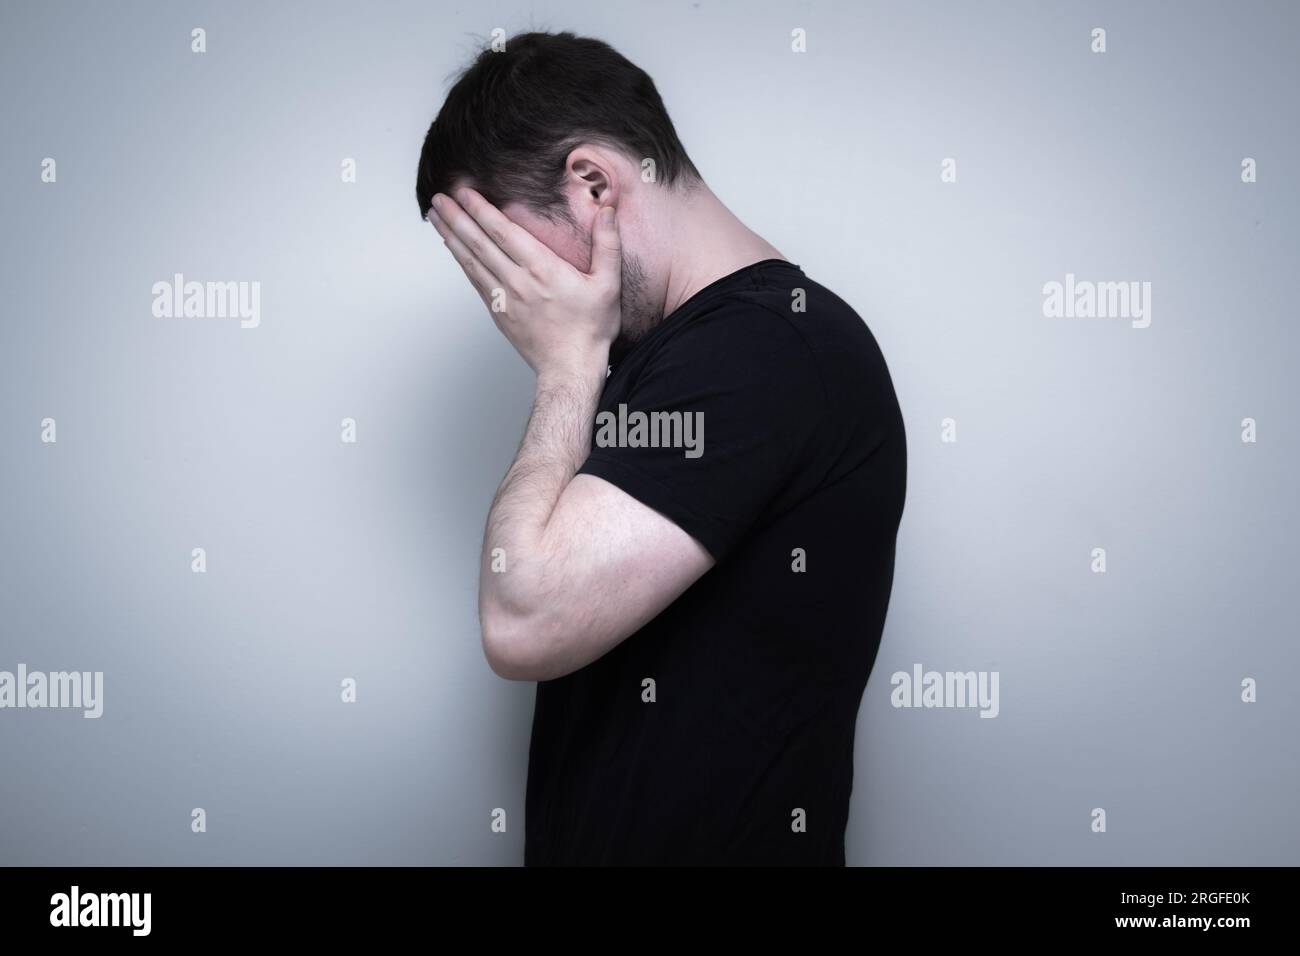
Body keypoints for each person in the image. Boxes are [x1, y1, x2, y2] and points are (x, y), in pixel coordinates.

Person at [416, 31, 907, 865]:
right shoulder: (686, 356)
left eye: (509, 256)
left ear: (594, 187)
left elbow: (523, 618)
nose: (508, 300)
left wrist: (568, 366)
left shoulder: (762, 347)